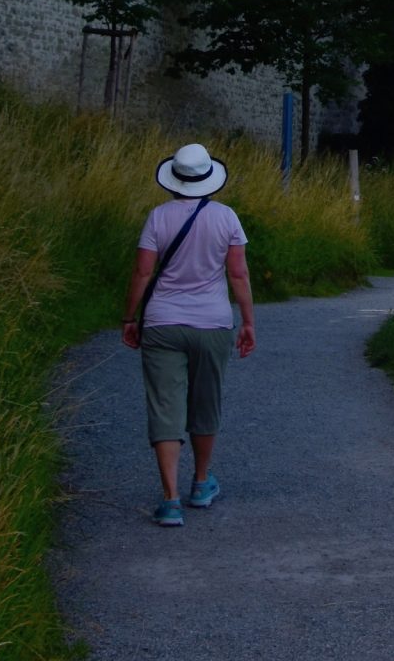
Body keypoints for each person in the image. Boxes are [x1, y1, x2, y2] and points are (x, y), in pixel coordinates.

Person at [121, 142, 255, 526]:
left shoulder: (157, 217)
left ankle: (170, 499)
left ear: (174, 178)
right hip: (212, 324)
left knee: (165, 407)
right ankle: (200, 482)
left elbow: (143, 272)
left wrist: (129, 318)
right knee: (205, 403)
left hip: (162, 323)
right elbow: (238, 274)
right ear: (208, 178)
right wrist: (248, 322)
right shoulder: (227, 218)